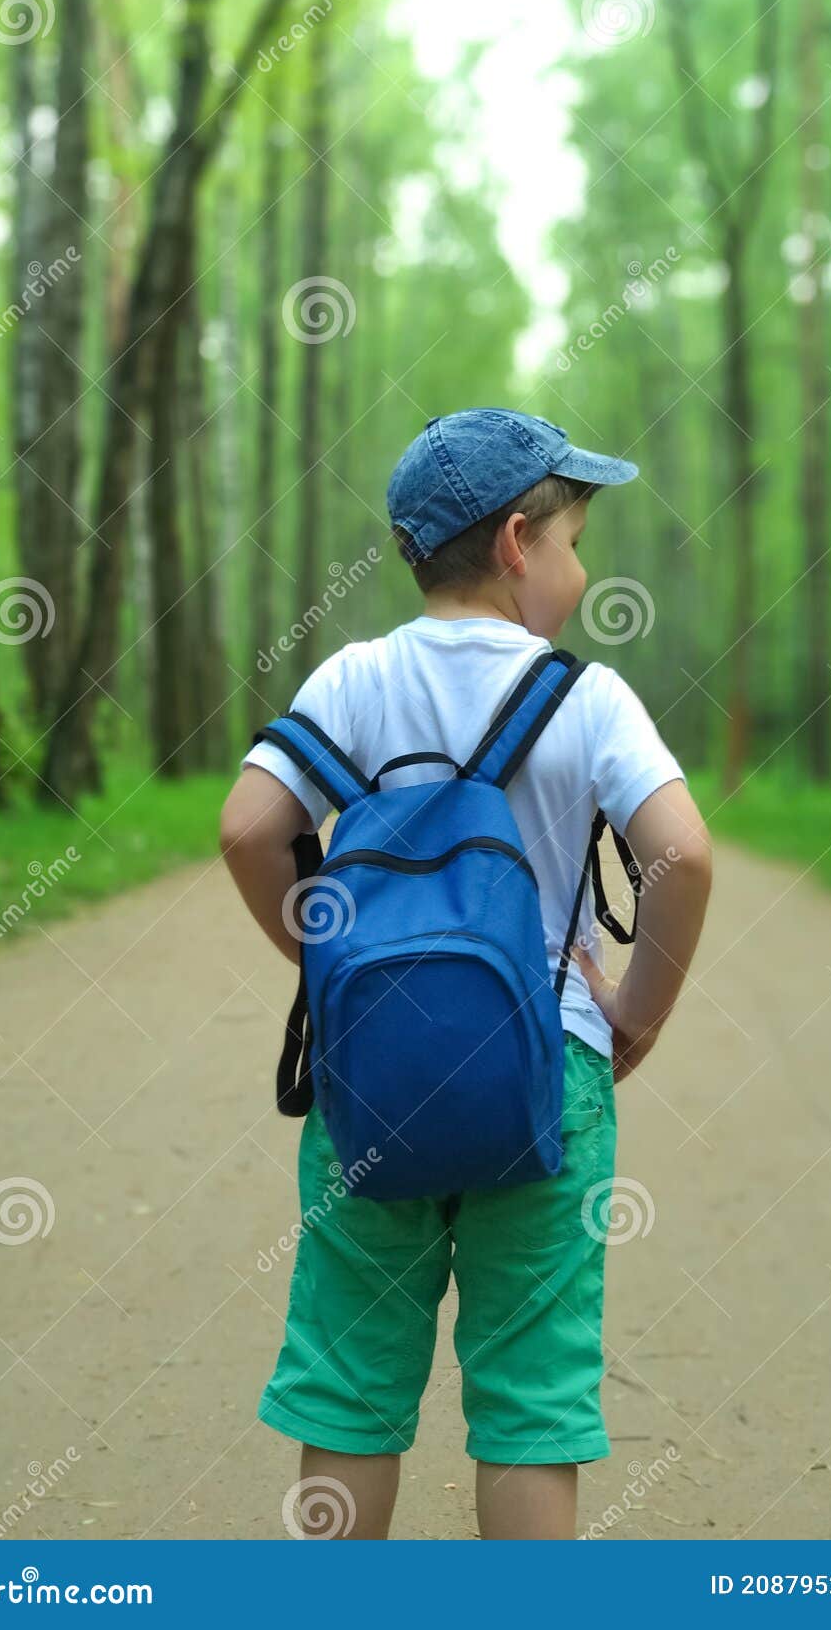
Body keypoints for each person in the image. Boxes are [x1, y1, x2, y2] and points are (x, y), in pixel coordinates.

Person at [220, 408, 712, 1540]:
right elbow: (681, 852)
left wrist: (330, 951)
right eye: (575, 539)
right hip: (548, 1079)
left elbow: (251, 827)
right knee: (530, 1398)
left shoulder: (353, 679)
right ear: (514, 541)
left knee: (350, 1377)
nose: (581, 568)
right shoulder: (585, 697)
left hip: (370, 1085)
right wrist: (633, 1012)